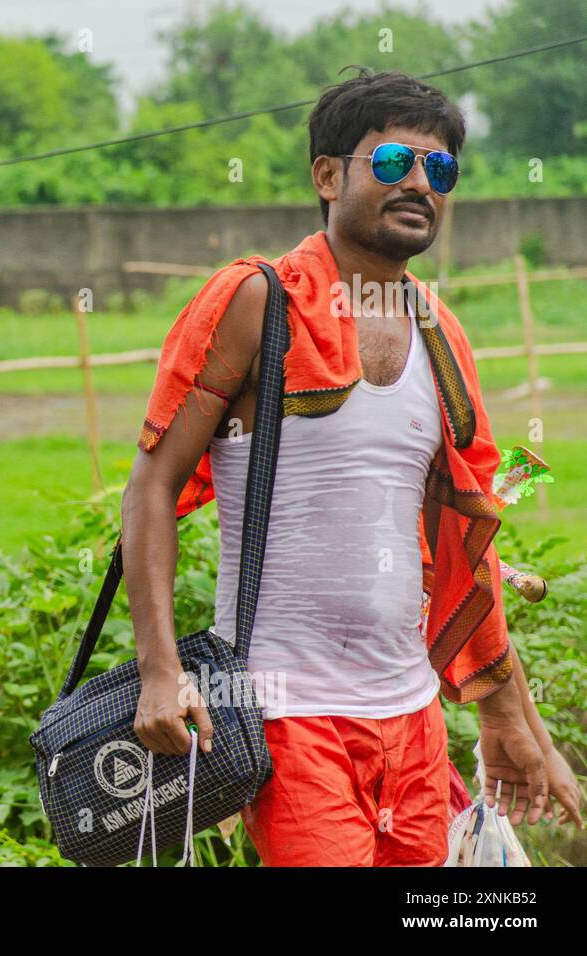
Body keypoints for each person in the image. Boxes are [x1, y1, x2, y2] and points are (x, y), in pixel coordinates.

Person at [121, 70, 575, 866]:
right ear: (328, 175)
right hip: (287, 713)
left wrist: (512, 721)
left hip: (413, 718)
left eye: (441, 171)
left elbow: (468, 549)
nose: (421, 185)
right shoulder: (256, 302)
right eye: (395, 160)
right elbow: (153, 485)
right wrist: (161, 673)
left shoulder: (442, 336)